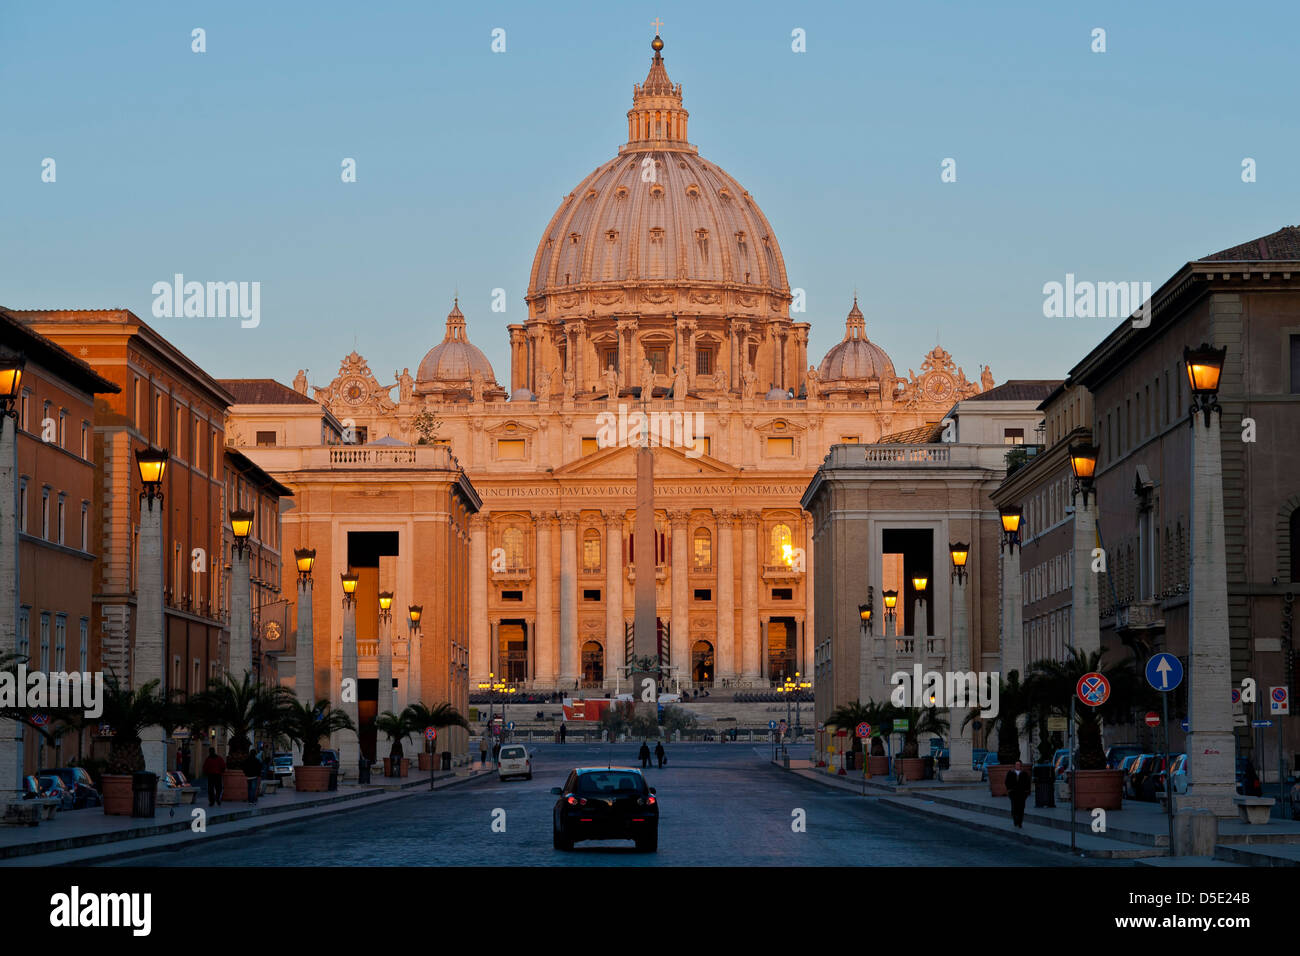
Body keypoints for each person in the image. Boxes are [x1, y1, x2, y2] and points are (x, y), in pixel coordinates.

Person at [1006, 759, 1032, 828]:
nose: (1017, 766)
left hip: (1022, 793)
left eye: (1019, 764)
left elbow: (1028, 783)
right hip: (1013, 793)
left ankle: (1020, 822)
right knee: (1014, 808)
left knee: (1021, 808)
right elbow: (1007, 782)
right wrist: (1009, 790)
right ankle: (1015, 820)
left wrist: (1026, 792)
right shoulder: (1010, 773)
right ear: (1014, 765)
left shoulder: (1024, 773)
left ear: (1021, 765)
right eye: (1016, 764)